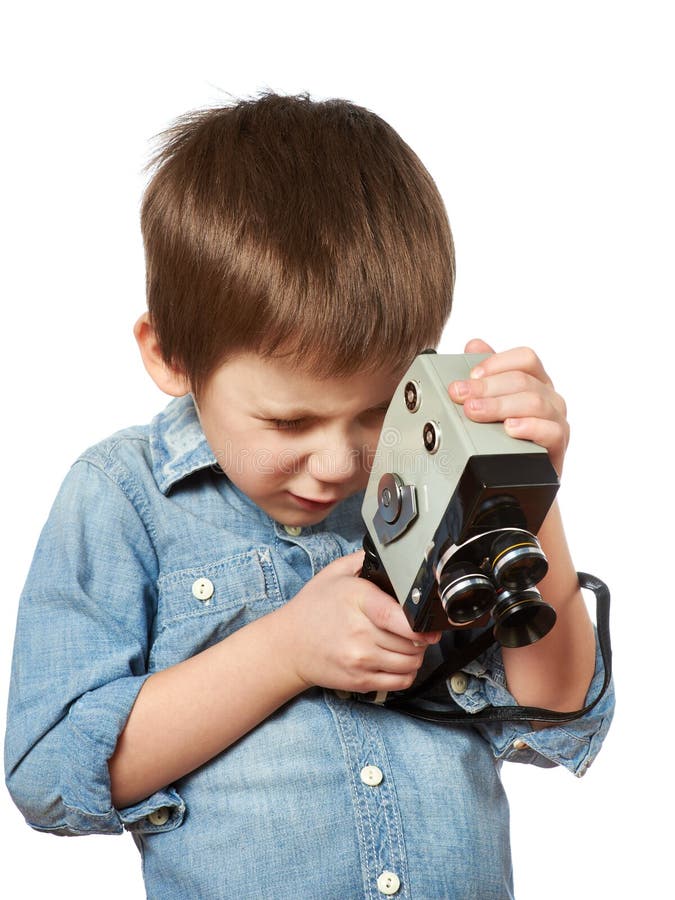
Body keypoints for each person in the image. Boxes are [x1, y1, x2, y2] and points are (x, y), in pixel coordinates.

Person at [5, 93, 613, 899]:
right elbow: (50, 773)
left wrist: (522, 491)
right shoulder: (123, 496)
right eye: (288, 420)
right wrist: (284, 652)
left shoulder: (435, 476)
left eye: (376, 408)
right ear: (170, 355)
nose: (337, 461)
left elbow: (557, 707)